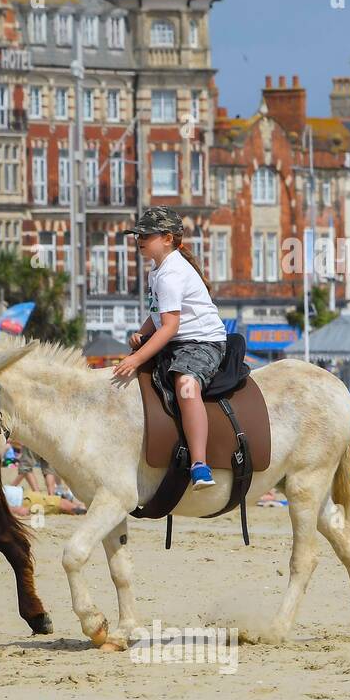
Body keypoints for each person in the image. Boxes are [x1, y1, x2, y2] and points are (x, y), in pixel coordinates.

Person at [113, 206, 227, 490]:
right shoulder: (158, 270)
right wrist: (142, 332)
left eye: (145, 234)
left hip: (203, 342)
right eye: (137, 234)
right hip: (175, 341)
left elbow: (170, 326)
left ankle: (200, 465)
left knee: (186, 385)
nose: (139, 239)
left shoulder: (171, 273)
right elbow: (158, 317)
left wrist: (137, 358)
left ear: (166, 238)